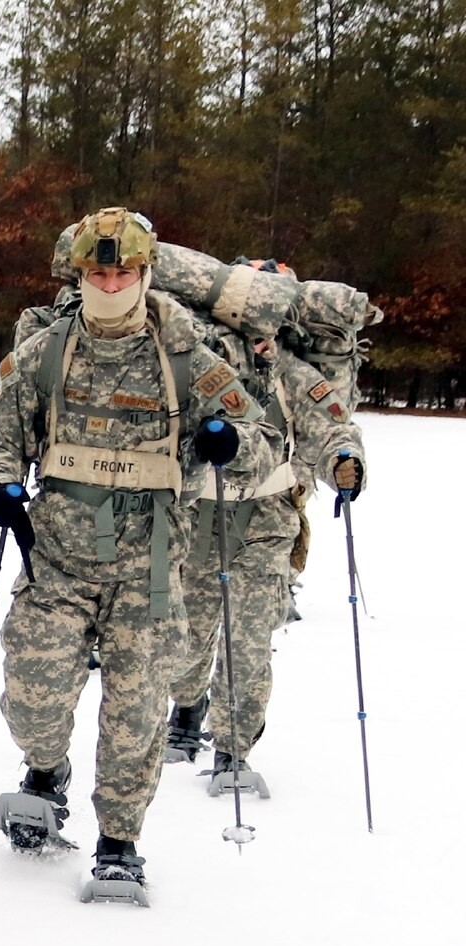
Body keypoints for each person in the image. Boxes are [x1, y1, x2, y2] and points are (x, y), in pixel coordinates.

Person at [0, 207, 275, 894]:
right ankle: (46, 772)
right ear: (80, 273)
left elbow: (260, 448)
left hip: (151, 568)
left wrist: (230, 443)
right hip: (56, 559)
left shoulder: (185, 357)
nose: (111, 283)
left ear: (145, 273)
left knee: (137, 713)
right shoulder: (45, 353)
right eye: (99, 271)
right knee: (31, 699)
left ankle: (119, 839)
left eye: (125, 270)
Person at [161, 271, 369, 790]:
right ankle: (186, 711)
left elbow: (334, 426)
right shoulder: (201, 365)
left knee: (249, 646)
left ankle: (233, 749)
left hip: (264, 525)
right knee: (186, 636)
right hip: (197, 523)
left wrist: (346, 461)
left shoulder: (294, 376)